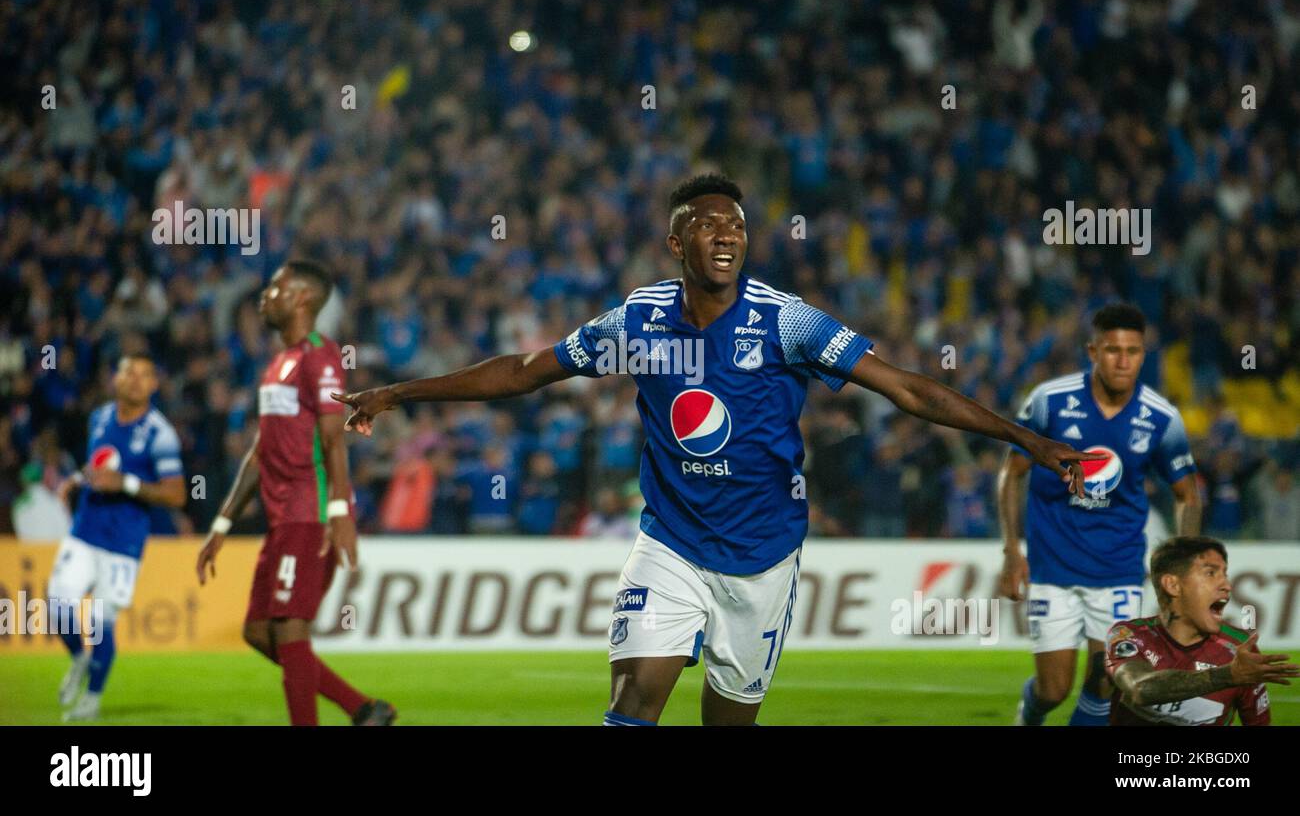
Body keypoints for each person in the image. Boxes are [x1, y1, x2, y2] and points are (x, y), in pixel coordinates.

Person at [333, 174, 1098, 725]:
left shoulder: (786, 322)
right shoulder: (638, 320)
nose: (727, 233)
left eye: (735, 224)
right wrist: (398, 392)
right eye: (708, 223)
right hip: (669, 540)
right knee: (635, 696)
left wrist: (1022, 436)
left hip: (762, 554)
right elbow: (527, 372)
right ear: (676, 242)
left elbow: (907, 389)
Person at [196, 260, 395, 726]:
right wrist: (222, 523)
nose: (266, 295)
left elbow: (333, 438)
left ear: (303, 298)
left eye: (276, 287)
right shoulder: (277, 364)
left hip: (311, 514)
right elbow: (260, 450)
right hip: (281, 519)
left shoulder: (320, 357)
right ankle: (364, 709)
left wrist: (340, 511)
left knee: (289, 628)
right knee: (257, 631)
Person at [998, 303, 1202, 725]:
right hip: (1052, 568)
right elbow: (1011, 474)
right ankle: (1030, 711)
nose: (1123, 360)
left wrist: (1184, 569)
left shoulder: (1161, 419)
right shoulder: (1050, 402)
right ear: (1093, 351)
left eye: (1133, 351)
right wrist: (1012, 552)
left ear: (1144, 355)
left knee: (1107, 683)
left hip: (1119, 571)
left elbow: (1187, 494)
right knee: (1053, 690)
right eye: (1113, 350)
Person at [48, 354, 186, 721]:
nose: (136, 380)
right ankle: (80, 660)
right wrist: (77, 480)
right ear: (116, 379)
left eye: (145, 375)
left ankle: (92, 698)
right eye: (129, 372)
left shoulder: (161, 433)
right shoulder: (101, 417)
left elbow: (176, 494)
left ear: (154, 385)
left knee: (99, 619)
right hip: (85, 529)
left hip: (123, 543)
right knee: (56, 606)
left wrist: (124, 483)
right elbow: (99, 465)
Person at [1105, 536, 1296, 725]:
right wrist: (1228, 675)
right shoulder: (1130, 636)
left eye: (1225, 574)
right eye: (1211, 573)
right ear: (1173, 585)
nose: (1227, 586)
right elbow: (1141, 689)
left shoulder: (1238, 649)